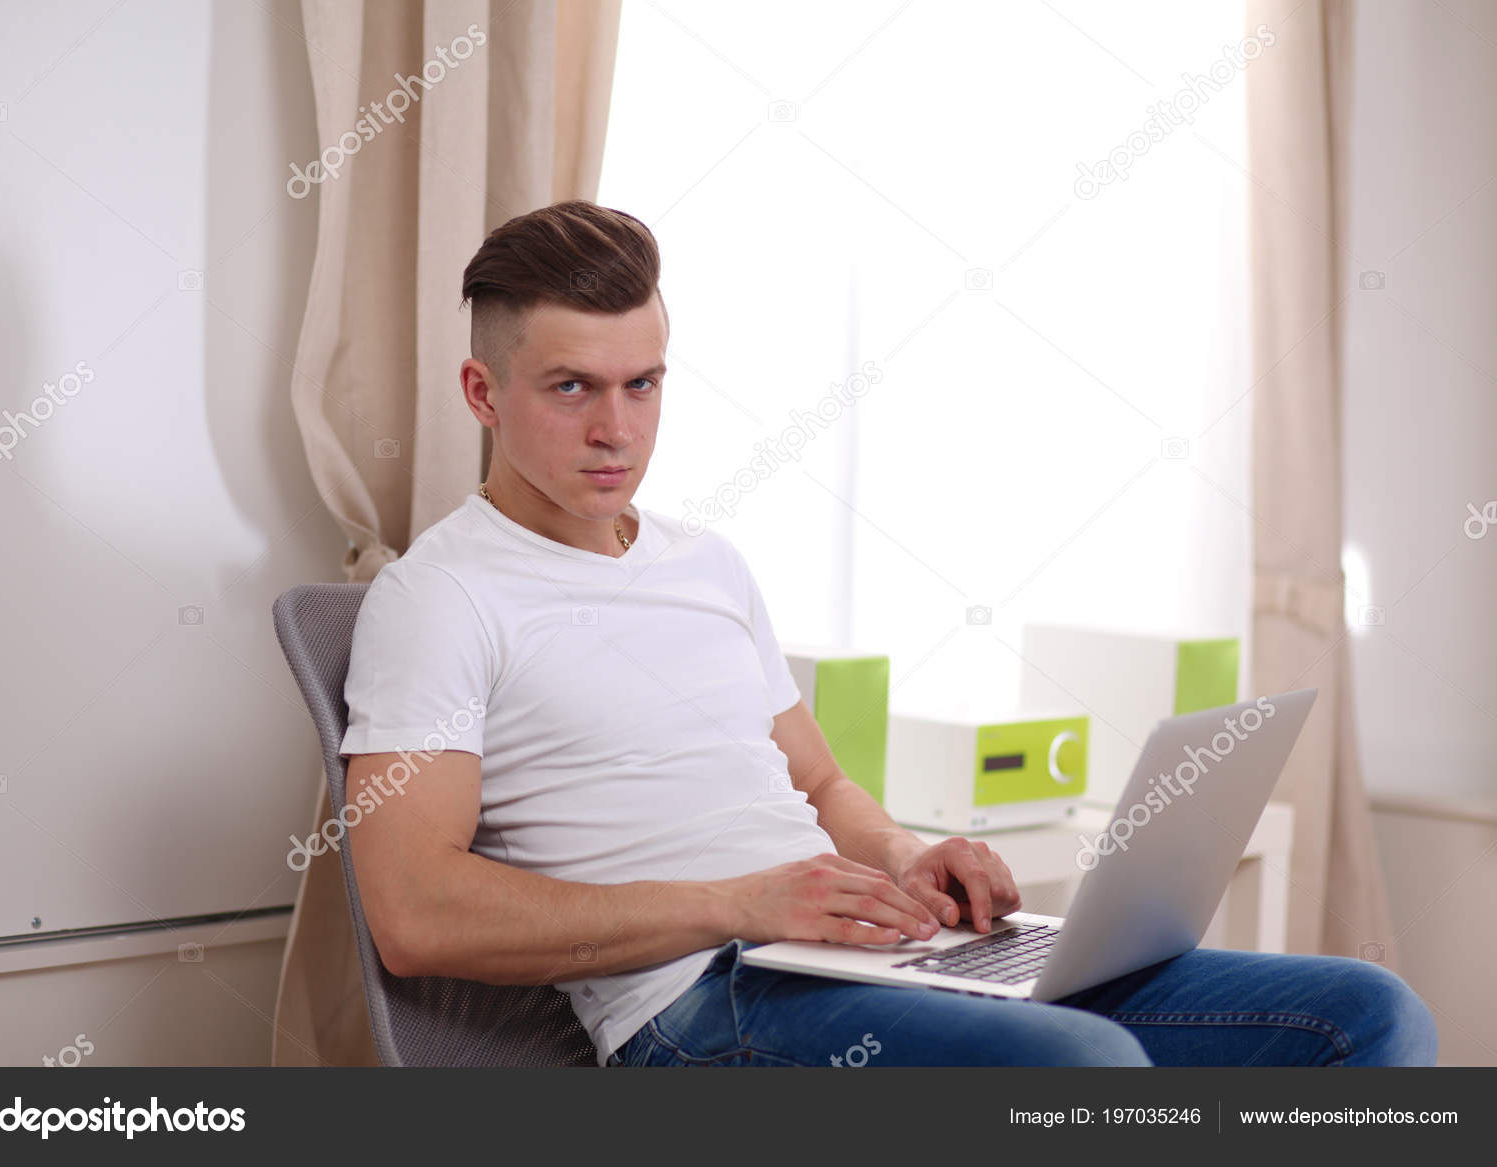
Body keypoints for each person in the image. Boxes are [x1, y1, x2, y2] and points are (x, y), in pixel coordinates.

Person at [336, 199, 1436, 1068]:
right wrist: (742, 902)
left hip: (863, 952)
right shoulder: (441, 598)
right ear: (483, 391)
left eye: (643, 384)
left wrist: (913, 856)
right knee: (1078, 1068)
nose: (616, 429)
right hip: (699, 1006)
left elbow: (822, 792)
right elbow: (416, 916)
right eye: (571, 387)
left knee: (1365, 1013)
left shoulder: (706, 565)